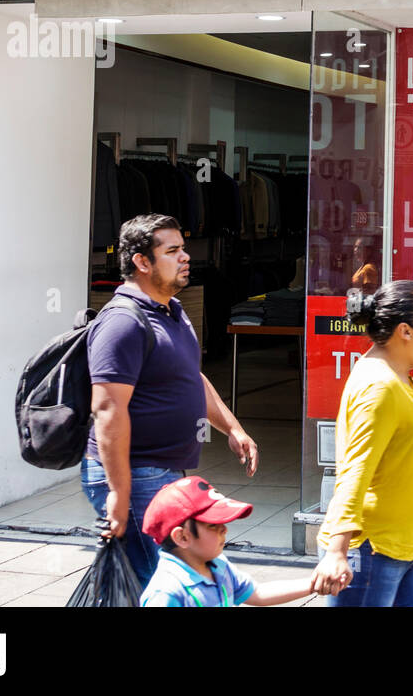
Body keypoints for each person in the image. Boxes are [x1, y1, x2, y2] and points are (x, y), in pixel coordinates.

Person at [83, 213, 259, 587]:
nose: (186, 257)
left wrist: (231, 427)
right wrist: (118, 492)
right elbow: (107, 410)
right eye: (173, 250)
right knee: (171, 580)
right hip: (135, 472)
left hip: (161, 472)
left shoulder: (173, 311)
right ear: (142, 262)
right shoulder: (122, 322)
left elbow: (190, 377)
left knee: (153, 582)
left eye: (184, 249)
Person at [311, 280, 413, 607]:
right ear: (405, 331)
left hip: (405, 547)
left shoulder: (398, 377)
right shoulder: (379, 386)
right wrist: (337, 552)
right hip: (373, 550)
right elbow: (354, 474)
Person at [140, 475, 313, 607]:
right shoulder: (166, 592)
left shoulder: (218, 565)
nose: (224, 529)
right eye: (213, 525)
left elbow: (258, 593)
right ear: (182, 537)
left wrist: (313, 584)